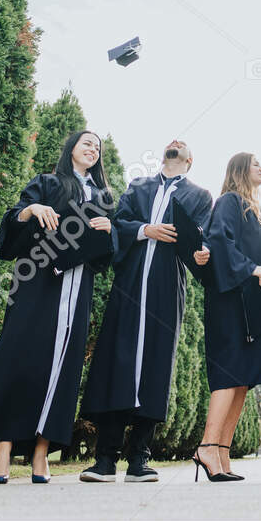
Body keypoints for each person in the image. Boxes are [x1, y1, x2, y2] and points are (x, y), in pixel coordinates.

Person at [0, 130, 115, 484]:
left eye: (97, 147)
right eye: (86, 143)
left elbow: (105, 255)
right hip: (37, 283)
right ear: (71, 150)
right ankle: (2, 448)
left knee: (62, 369)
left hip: (77, 289)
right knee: (17, 361)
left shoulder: (104, 196)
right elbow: (14, 221)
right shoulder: (47, 183)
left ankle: (40, 452)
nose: (92, 149)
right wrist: (32, 210)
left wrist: (109, 230)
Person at [79, 140, 213, 483]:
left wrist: (202, 253)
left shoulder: (200, 196)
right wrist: (145, 230)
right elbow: (118, 222)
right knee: (117, 363)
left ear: (190, 159)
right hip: (130, 283)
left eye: (183, 145)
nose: (177, 143)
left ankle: (139, 459)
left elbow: (202, 239)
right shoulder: (139, 186)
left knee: (154, 366)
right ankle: (105, 460)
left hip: (167, 288)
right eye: (172, 142)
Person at [193, 152, 261, 482]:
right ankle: (207, 445)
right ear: (241, 169)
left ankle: (222, 453)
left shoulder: (256, 210)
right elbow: (219, 241)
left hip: (252, 302)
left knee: (243, 378)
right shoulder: (229, 200)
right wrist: (248, 269)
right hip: (230, 300)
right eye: (257, 163)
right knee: (229, 373)